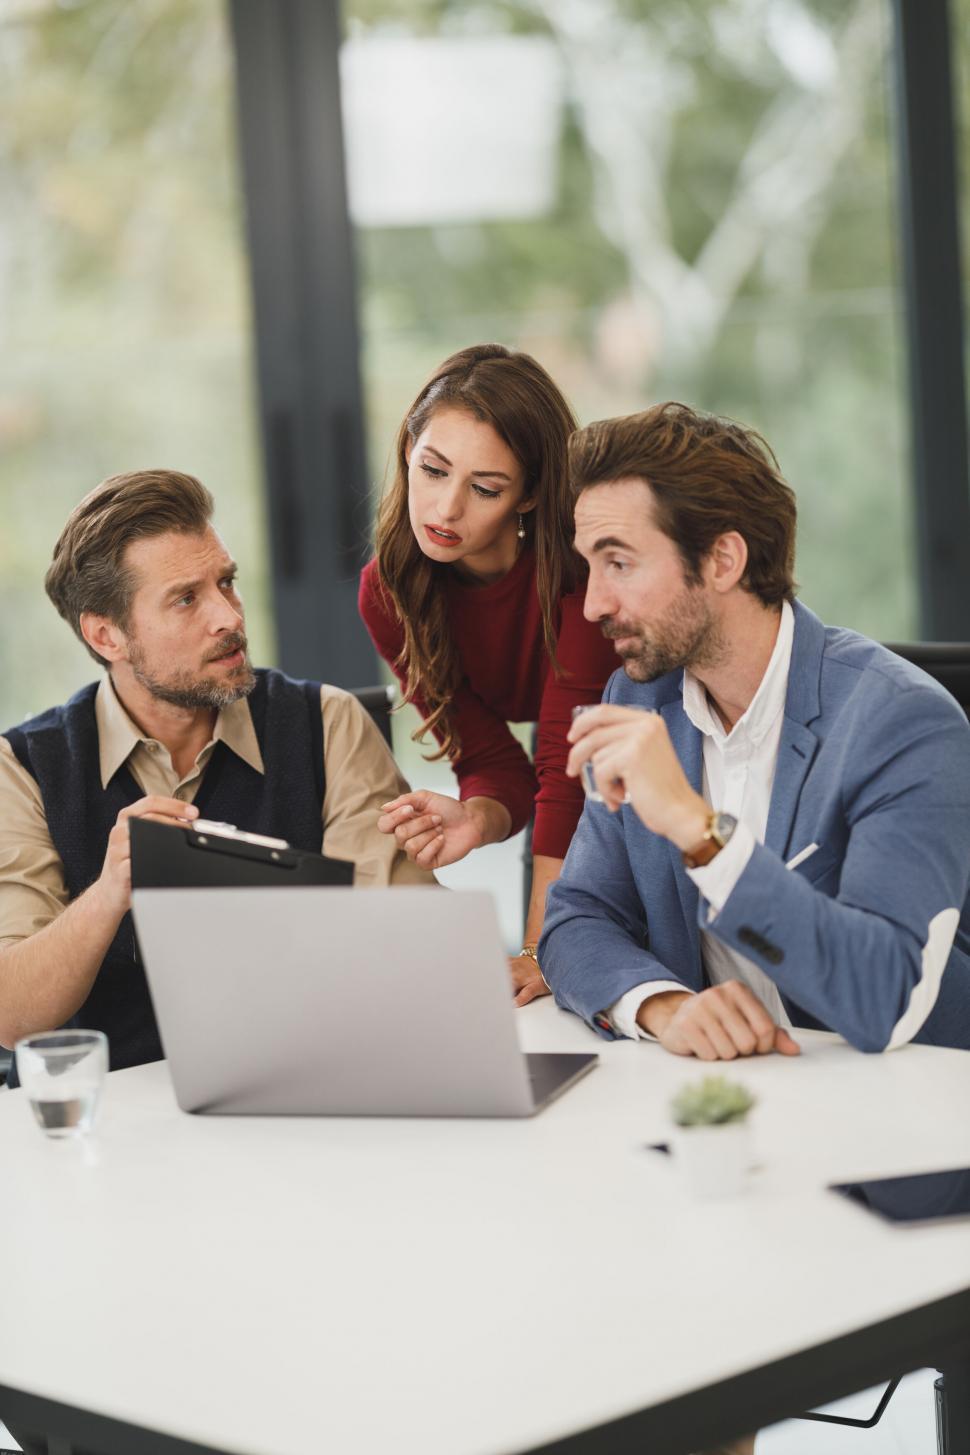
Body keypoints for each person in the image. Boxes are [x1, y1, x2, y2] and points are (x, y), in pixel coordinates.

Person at [539, 403, 970, 1056]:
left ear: (722, 560)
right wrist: (662, 1004)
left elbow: (885, 995)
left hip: (902, 1108)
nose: (594, 601)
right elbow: (574, 918)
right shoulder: (638, 698)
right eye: (589, 566)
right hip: (728, 1101)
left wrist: (698, 829)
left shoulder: (904, 723)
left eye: (619, 562)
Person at [0, 469, 433, 1083]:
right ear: (106, 634)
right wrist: (107, 895)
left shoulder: (327, 724)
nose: (228, 616)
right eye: (186, 598)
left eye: (226, 583)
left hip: (300, 1090)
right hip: (111, 1131)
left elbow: (407, 948)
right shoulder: (21, 769)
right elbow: (15, 1018)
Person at [359, 344, 616, 1005]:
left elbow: (565, 770)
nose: (444, 509)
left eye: (484, 488)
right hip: (582, 800)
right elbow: (493, 760)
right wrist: (475, 816)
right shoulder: (392, 594)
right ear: (408, 451)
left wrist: (536, 952)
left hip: (655, 781)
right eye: (433, 469)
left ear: (528, 493)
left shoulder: (579, 579)